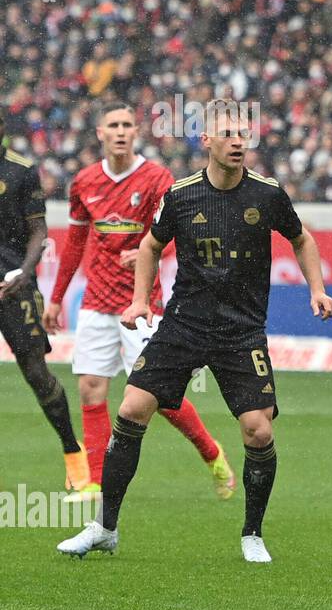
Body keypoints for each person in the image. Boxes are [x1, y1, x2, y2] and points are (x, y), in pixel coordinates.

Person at [57, 101, 332, 563]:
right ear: (205, 141)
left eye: (243, 135)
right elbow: (150, 245)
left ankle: (252, 533)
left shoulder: (267, 195)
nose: (238, 142)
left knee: (258, 432)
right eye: (227, 134)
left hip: (241, 331)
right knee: (130, 409)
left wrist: (317, 290)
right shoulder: (183, 195)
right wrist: (140, 300)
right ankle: (105, 527)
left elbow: (302, 238)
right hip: (183, 323)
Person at [43, 102, 234, 502]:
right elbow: (76, 243)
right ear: (99, 132)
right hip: (96, 301)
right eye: (112, 124)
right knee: (92, 389)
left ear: (136, 132)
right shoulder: (84, 182)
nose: (120, 131)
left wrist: (151, 254)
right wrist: (56, 299)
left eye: (127, 124)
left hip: (142, 302)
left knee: (159, 397)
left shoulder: (155, 178)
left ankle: (212, 453)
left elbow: (178, 233)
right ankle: (94, 482)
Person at [0, 113, 88, 490]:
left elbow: (39, 230)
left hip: (14, 286)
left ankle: (72, 452)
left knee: (36, 373)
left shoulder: (21, 172)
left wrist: (23, 272)